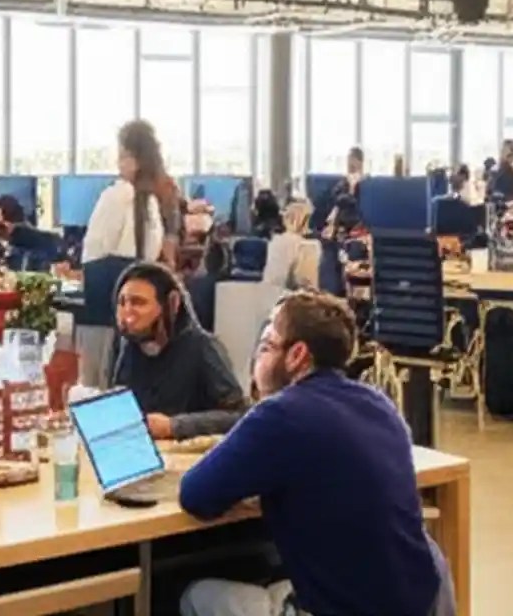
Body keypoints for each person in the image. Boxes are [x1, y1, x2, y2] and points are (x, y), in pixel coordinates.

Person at [179, 291, 453, 616]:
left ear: (297, 355)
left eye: (266, 346)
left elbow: (195, 495)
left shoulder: (280, 413)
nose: (257, 361)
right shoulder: (377, 403)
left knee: (196, 596)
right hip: (421, 600)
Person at [112, 261, 245, 440]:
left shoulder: (202, 347)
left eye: (138, 303)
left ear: (172, 304)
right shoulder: (128, 346)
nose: (127, 312)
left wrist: (175, 426)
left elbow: (239, 415)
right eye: (122, 302)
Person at [83, 120, 170, 263]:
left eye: (122, 156)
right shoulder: (152, 202)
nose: (118, 163)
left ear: (137, 162)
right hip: (142, 275)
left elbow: (93, 253)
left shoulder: (116, 196)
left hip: (109, 275)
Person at [262, 201, 319, 289]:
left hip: (269, 290)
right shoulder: (308, 246)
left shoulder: (275, 240)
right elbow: (306, 282)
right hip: (292, 293)